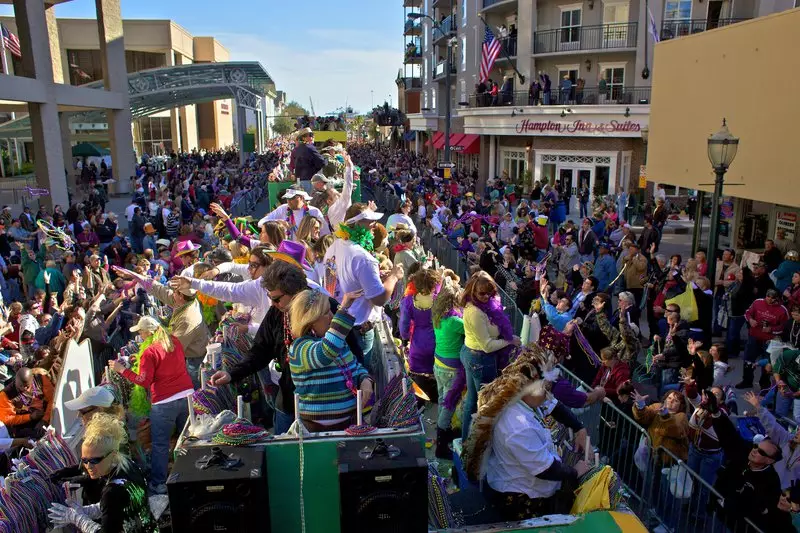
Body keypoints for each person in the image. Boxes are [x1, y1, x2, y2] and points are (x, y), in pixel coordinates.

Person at [483, 379, 590, 520]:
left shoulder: (529, 397)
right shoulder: (518, 426)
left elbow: (554, 406)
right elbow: (544, 469)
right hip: (520, 496)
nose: (548, 395)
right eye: (544, 390)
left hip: (529, 486)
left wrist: (579, 428)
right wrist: (575, 472)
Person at [109, 316, 193, 495]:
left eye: (140, 331)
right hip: (187, 396)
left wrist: (121, 370)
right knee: (188, 439)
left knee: (160, 445)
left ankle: (159, 484)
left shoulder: (149, 352)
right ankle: (192, 475)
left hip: (164, 403)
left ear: (148, 332)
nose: (139, 335)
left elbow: (143, 381)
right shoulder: (174, 341)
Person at [324, 203, 404, 375]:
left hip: (337, 322)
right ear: (357, 225)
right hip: (358, 329)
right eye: (370, 222)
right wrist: (393, 277)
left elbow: (341, 281)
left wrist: (374, 277)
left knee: (344, 375)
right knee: (361, 378)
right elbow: (380, 298)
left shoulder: (335, 245)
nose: (374, 226)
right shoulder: (363, 258)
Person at [47, 413, 157, 533]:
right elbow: (119, 505)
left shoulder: (112, 492)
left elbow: (111, 505)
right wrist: (86, 511)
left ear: (113, 454)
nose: (89, 466)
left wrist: (77, 518)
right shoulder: (128, 464)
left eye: (95, 460)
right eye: (84, 460)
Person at [287, 288, 372, 432]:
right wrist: (343, 309)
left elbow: (355, 367)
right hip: (316, 434)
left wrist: (365, 380)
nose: (332, 316)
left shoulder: (338, 343)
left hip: (350, 426)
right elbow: (325, 353)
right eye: (327, 312)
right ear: (311, 320)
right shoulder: (299, 348)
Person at [460, 271, 520, 441]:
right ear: (473, 291)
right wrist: (510, 341)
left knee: (473, 401)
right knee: (485, 404)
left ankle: (467, 442)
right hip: (479, 359)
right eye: (482, 293)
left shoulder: (482, 307)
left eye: (490, 292)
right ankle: (475, 445)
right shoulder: (475, 312)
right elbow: (487, 346)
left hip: (474, 355)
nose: (486, 296)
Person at [710, 403, 783, 532]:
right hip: (718, 513)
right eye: (756, 446)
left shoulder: (771, 482)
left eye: (761, 452)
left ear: (769, 460)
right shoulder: (745, 452)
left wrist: (733, 504)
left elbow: (759, 508)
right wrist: (716, 412)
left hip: (737, 526)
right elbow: (729, 436)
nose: (754, 450)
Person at [399, 267, 441, 401]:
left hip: (417, 342)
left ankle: (421, 400)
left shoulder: (408, 301)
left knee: (418, 377)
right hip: (437, 340)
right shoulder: (439, 300)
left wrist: (405, 338)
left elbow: (404, 325)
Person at [738, 288, 789, 389]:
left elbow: (784, 327)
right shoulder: (757, 302)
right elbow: (747, 313)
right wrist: (751, 320)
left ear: (777, 298)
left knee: (767, 362)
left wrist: (772, 329)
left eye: (772, 298)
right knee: (748, 359)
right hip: (754, 336)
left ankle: (764, 384)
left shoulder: (782, 310)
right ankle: (747, 380)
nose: (769, 299)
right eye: (767, 296)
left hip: (770, 340)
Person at [0, 367, 53, 438]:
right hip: (28, 421)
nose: (24, 389)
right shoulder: (6, 395)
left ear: (32, 379)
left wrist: (45, 419)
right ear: (15, 380)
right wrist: (30, 417)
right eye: (20, 386)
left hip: (50, 412)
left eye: (27, 386)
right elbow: (7, 419)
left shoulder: (40, 378)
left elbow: (52, 399)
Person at [260, 189, 329, 241]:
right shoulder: (283, 208)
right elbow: (261, 223)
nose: (289, 201)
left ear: (302, 198)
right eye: (287, 198)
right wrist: (277, 222)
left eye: (292, 198)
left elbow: (326, 233)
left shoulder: (314, 211)